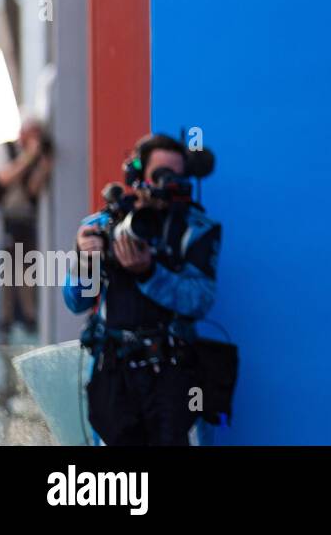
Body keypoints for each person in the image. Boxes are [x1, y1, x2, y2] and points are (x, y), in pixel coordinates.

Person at [65, 133, 220, 445]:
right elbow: (75, 301)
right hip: (114, 375)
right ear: (137, 176)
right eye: (159, 174)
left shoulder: (196, 229)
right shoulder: (102, 224)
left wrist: (150, 273)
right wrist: (84, 261)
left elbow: (200, 300)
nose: (167, 183)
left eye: (175, 176)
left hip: (173, 376)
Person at [0, 116, 53, 336]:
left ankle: (28, 318)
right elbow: (4, 178)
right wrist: (29, 156)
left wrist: (43, 163)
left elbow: (33, 190)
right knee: (6, 272)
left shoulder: (37, 157)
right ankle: (5, 320)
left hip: (25, 221)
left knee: (25, 270)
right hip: (5, 219)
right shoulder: (5, 150)